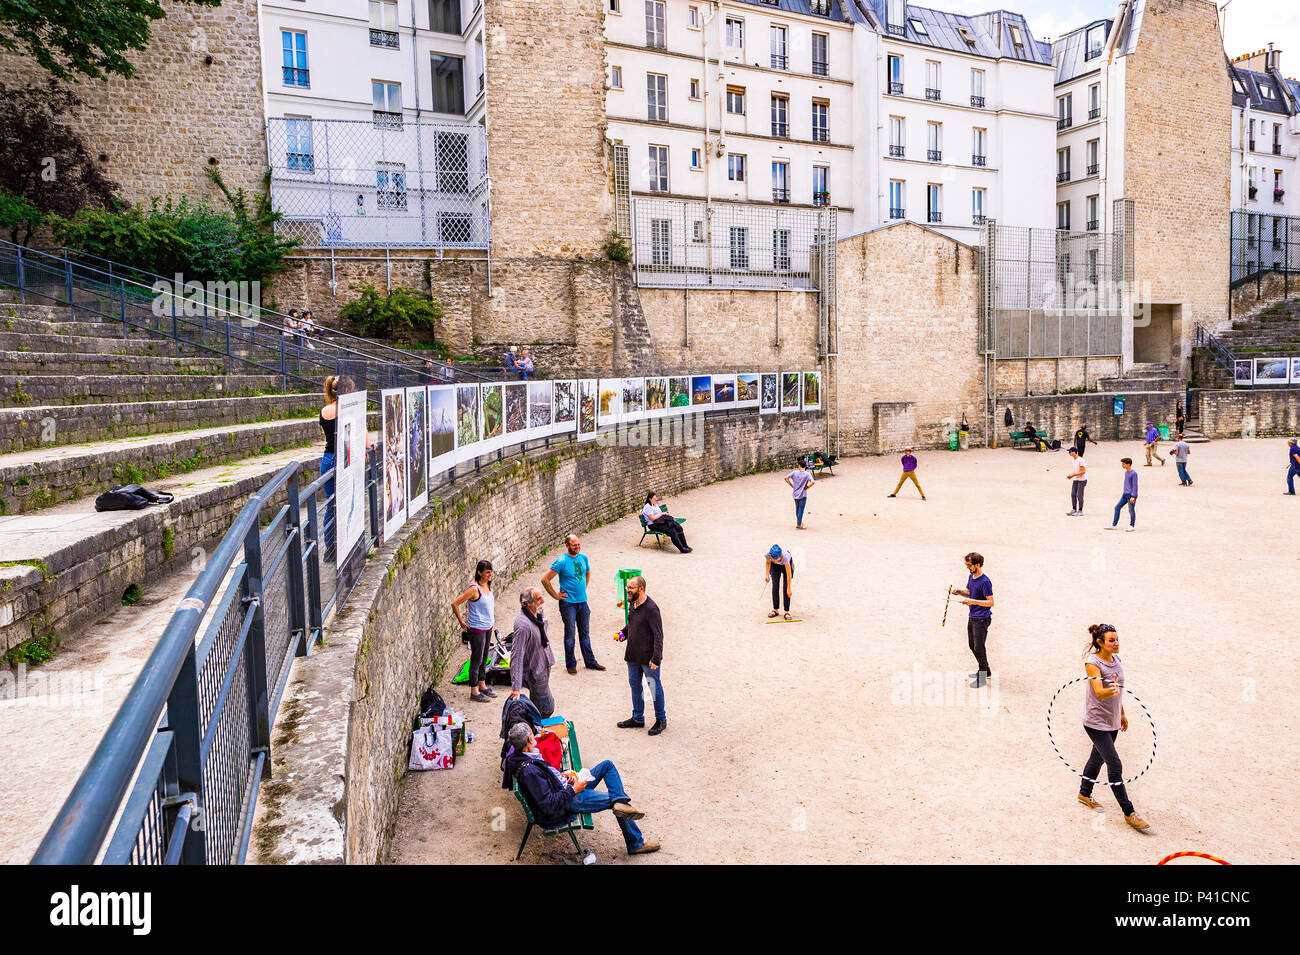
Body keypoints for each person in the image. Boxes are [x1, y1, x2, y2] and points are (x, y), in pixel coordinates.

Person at [503, 722, 660, 855]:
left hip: (564, 788)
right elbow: (548, 805)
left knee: (607, 766)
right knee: (617, 802)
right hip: (567, 801)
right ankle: (635, 843)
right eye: (533, 734)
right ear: (530, 740)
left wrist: (562, 775)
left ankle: (620, 802)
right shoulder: (529, 771)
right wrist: (574, 790)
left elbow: (545, 778)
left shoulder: (525, 757)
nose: (536, 736)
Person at [1076, 624, 1150, 832]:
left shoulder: (1116, 659)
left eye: (1117, 639)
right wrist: (1113, 689)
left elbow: (1118, 690)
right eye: (1111, 640)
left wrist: (1122, 713)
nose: (1116, 643)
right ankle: (1129, 813)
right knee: (1115, 765)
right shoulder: (1093, 663)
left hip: (1112, 719)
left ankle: (1084, 793)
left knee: (1097, 758)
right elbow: (1099, 691)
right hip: (1095, 722)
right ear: (1100, 642)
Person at [542, 534, 604, 675]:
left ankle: (590, 662)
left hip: (583, 602)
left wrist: (584, 588)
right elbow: (545, 579)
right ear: (567, 546)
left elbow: (587, 573)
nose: (577, 547)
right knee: (570, 635)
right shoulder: (561, 561)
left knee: (585, 634)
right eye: (574, 545)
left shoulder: (583, 558)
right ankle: (571, 664)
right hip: (568, 604)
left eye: (578, 544)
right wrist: (555, 595)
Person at [617, 575, 666, 736]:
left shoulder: (652, 609)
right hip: (632, 654)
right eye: (627, 587)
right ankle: (637, 718)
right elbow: (631, 623)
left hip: (648, 658)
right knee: (635, 685)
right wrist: (623, 633)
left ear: (641, 589)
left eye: (631, 588)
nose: (628, 590)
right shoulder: (632, 602)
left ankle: (661, 720)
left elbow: (658, 635)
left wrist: (656, 658)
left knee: (653, 688)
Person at [450, 560, 498, 703]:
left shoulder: (488, 585)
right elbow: (455, 603)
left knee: (484, 657)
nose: (491, 574)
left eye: (491, 572)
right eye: (488, 572)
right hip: (476, 628)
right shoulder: (473, 589)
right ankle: (474, 689)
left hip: (487, 627)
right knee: (476, 659)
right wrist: (460, 621)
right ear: (479, 572)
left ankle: (482, 684)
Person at [509, 588, 556, 718]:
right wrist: (516, 688)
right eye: (539, 599)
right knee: (546, 708)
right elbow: (516, 656)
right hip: (535, 671)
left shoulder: (538, 612)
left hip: (544, 661)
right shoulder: (523, 626)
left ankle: (534, 725)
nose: (543, 601)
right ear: (528, 603)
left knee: (538, 703)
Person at [953, 552, 994, 688]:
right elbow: (971, 592)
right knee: (972, 645)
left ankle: (982, 676)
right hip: (972, 617)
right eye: (966, 565)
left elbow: (990, 602)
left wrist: (973, 602)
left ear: (977, 564)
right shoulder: (971, 576)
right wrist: (960, 592)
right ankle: (986, 670)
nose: (967, 567)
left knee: (979, 647)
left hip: (982, 619)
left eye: (969, 565)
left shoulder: (985, 581)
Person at [319, 376, 338, 562]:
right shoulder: (345, 410)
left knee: (330, 506)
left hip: (327, 459)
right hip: (341, 460)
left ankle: (330, 548)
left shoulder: (324, 411)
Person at [1106, 457, 1138, 531]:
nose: (1122, 465)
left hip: (1131, 495)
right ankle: (1113, 525)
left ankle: (1132, 526)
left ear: (1128, 464)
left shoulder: (1134, 473)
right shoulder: (1126, 472)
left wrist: (1133, 496)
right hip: (1125, 494)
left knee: (1131, 510)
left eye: (1123, 464)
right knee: (1117, 508)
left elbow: (1135, 485)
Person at [764, 545, 794, 620]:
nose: (775, 560)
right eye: (773, 559)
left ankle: (787, 612)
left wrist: (789, 588)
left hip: (786, 566)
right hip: (775, 567)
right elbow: (768, 563)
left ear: (780, 555)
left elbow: (788, 574)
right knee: (775, 586)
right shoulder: (768, 554)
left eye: (776, 559)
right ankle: (775, 610)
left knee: (786, 588)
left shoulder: (785, 557)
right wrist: (767, 575)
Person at [785, 457, 816, 527]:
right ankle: (799, 524)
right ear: (805, 466)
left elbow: (785, 478)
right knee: (801, 509)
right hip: (803, 494)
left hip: (795, 493)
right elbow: (813, 482)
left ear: (799, 465)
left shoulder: (794, 473)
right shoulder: (807, 474)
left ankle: (799, 522)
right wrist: (807, 487)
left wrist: (791, 485)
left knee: (797, 508)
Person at [1066, 446, 1087, 515]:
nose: (1069, 453)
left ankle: (1080, 510)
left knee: (1079, 495)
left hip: (1082, 480)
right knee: (1073, 494)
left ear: (1074, 452)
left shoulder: (1080, 460)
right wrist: (1071, 476)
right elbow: (1076, 471)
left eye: (1070, 452)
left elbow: (1083, 471)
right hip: (1076, 479)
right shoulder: (1073, 460)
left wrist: (1073, 475)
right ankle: (1074, 509)